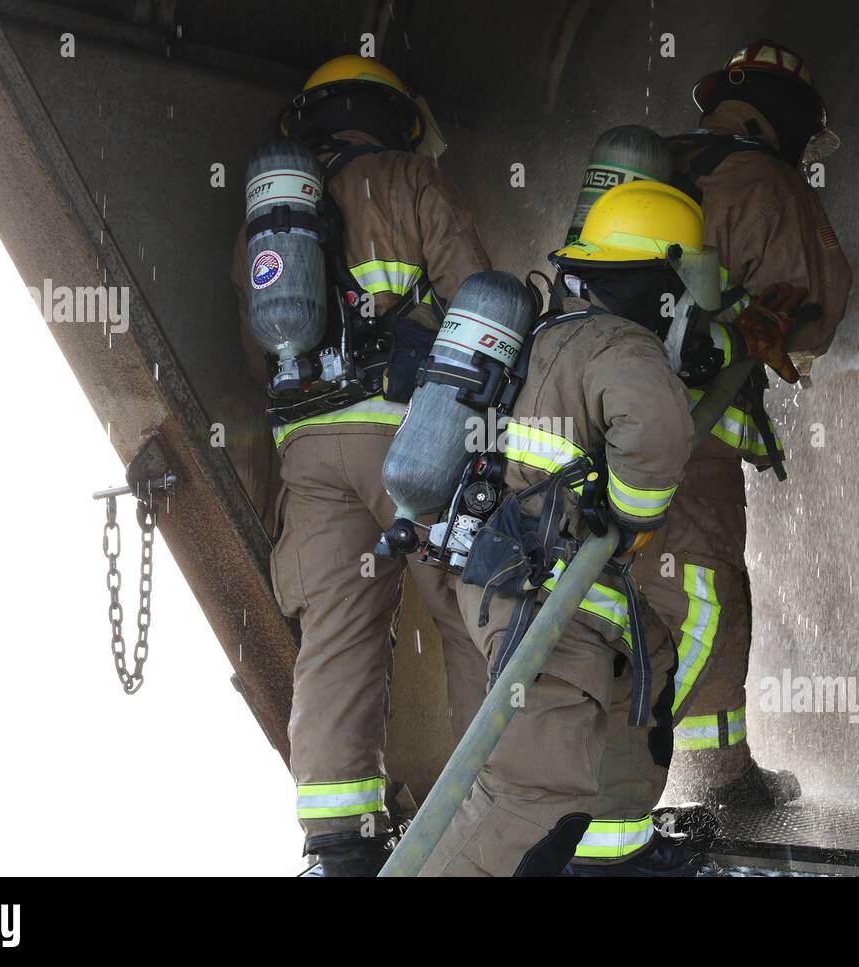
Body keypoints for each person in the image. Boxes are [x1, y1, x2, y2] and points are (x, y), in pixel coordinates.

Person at [230, 54, 491, 876]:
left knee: (337, 637)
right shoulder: (412, 179)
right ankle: (497, 812)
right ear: (395, 117)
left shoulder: (265, 225)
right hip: (411, 432)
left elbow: (254, 351)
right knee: (472, 610)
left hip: (306, 456)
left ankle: (339, 843)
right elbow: (478, 299)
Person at [420, 181, 710, 876]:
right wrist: (636, 516)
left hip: (526, 584)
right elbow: (653, 423)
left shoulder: (555, 335)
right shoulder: (624, 344)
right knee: (530, 793)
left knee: (620, 722)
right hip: (543, 597)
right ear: (657, 279)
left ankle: (613, 864)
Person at [656, 38, 853, 815]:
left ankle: (608, 774)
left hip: (594, 426)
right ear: (794, 123)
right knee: (709, 590)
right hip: (688, 439)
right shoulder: (764, 182)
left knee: (622, 594)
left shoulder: (662, 170)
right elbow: (818, 315)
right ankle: (718, 778)